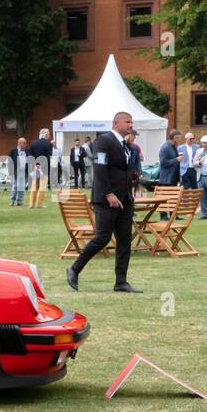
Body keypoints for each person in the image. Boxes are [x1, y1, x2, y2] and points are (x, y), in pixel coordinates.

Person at [67, 112, 142, 294]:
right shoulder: (104, 141)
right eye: (127, 121)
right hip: (106, 199)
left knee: (125, 242)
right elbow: (99, 169)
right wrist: (109, 193)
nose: (130, 124)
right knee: (102, 238)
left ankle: (121, 282)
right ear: (116, 123)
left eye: (132, 121)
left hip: (125, 200)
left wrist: (134, 180)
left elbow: (124, 169)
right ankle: (74, 269)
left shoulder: (127, 146)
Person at [8, 138, 30, 206]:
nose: (25, 144)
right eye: (24, 143)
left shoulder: (27, 151)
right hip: (16, 170)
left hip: (25, 171)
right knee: (15, 186)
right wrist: (10, 171)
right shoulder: (13, 151)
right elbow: (9, 162)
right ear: (20, 143)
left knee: (22, 186)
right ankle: (12, 200)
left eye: (25, 143)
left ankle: (20, 201)